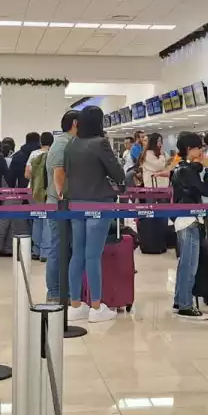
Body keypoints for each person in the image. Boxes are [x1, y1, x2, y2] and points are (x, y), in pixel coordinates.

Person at [64, 106, 125, 323]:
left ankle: (74, 305)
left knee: (77, 254)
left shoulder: (71, 144)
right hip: (99, 203)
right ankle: (97, 307)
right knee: (93, 255)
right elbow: (117, 172)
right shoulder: (100, 143)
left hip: (75, 204)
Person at [169, 131, 208, 320]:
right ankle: (186, 306)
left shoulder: (182, 168)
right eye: (198, 147)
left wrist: (200, 166)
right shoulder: (187, 170)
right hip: (188, 220)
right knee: (189, 264)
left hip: (183, 219)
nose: (201, 150)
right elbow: (206, 189)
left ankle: (180, 300)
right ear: (189, 149)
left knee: (184, 263)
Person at [43, 112, 79, 291]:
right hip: (59, 204)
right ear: (75, 123)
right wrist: (62, 198)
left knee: (65, 246)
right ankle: (55, 290)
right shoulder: (62, 143)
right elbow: (58, 172)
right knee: (57, 247)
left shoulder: (69, 142)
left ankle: (64, 287)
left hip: (63, 204)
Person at [27, 131, 55, 263]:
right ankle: (46, 252)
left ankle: (36, 251)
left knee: (37, 220)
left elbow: (27, 174)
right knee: (48, 222)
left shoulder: (34, 154)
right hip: (49, 192)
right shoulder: (53, 154)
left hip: (35, 191)